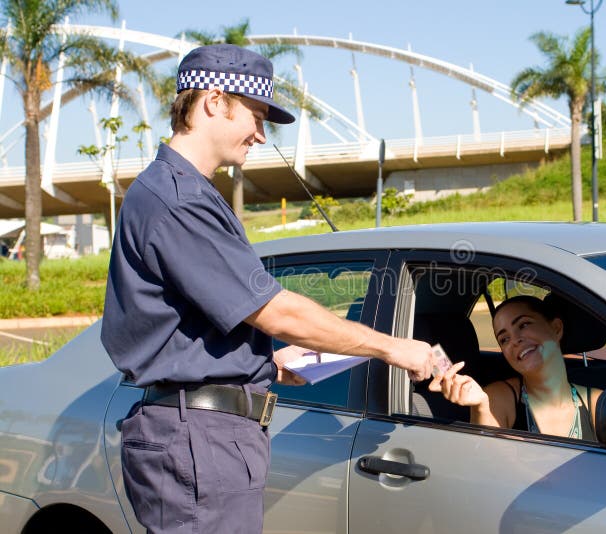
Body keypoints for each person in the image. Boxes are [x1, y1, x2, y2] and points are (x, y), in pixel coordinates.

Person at [101, 43, 433, 534]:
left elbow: (185, 317)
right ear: (214, 101)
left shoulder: (175, 193)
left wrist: (262, 361)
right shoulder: (178, 201)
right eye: (256, 114)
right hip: (200, 438)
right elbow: (276, 313)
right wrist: (391, 347)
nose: (260, 133)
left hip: (201, 431)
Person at [430, 295, 600, 439]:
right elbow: (485, 462)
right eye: (504, 339)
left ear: (556, 328)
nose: (515, 340)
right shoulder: (497, 397)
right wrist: (480, 407)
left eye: (524, 325)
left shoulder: (598, 402)